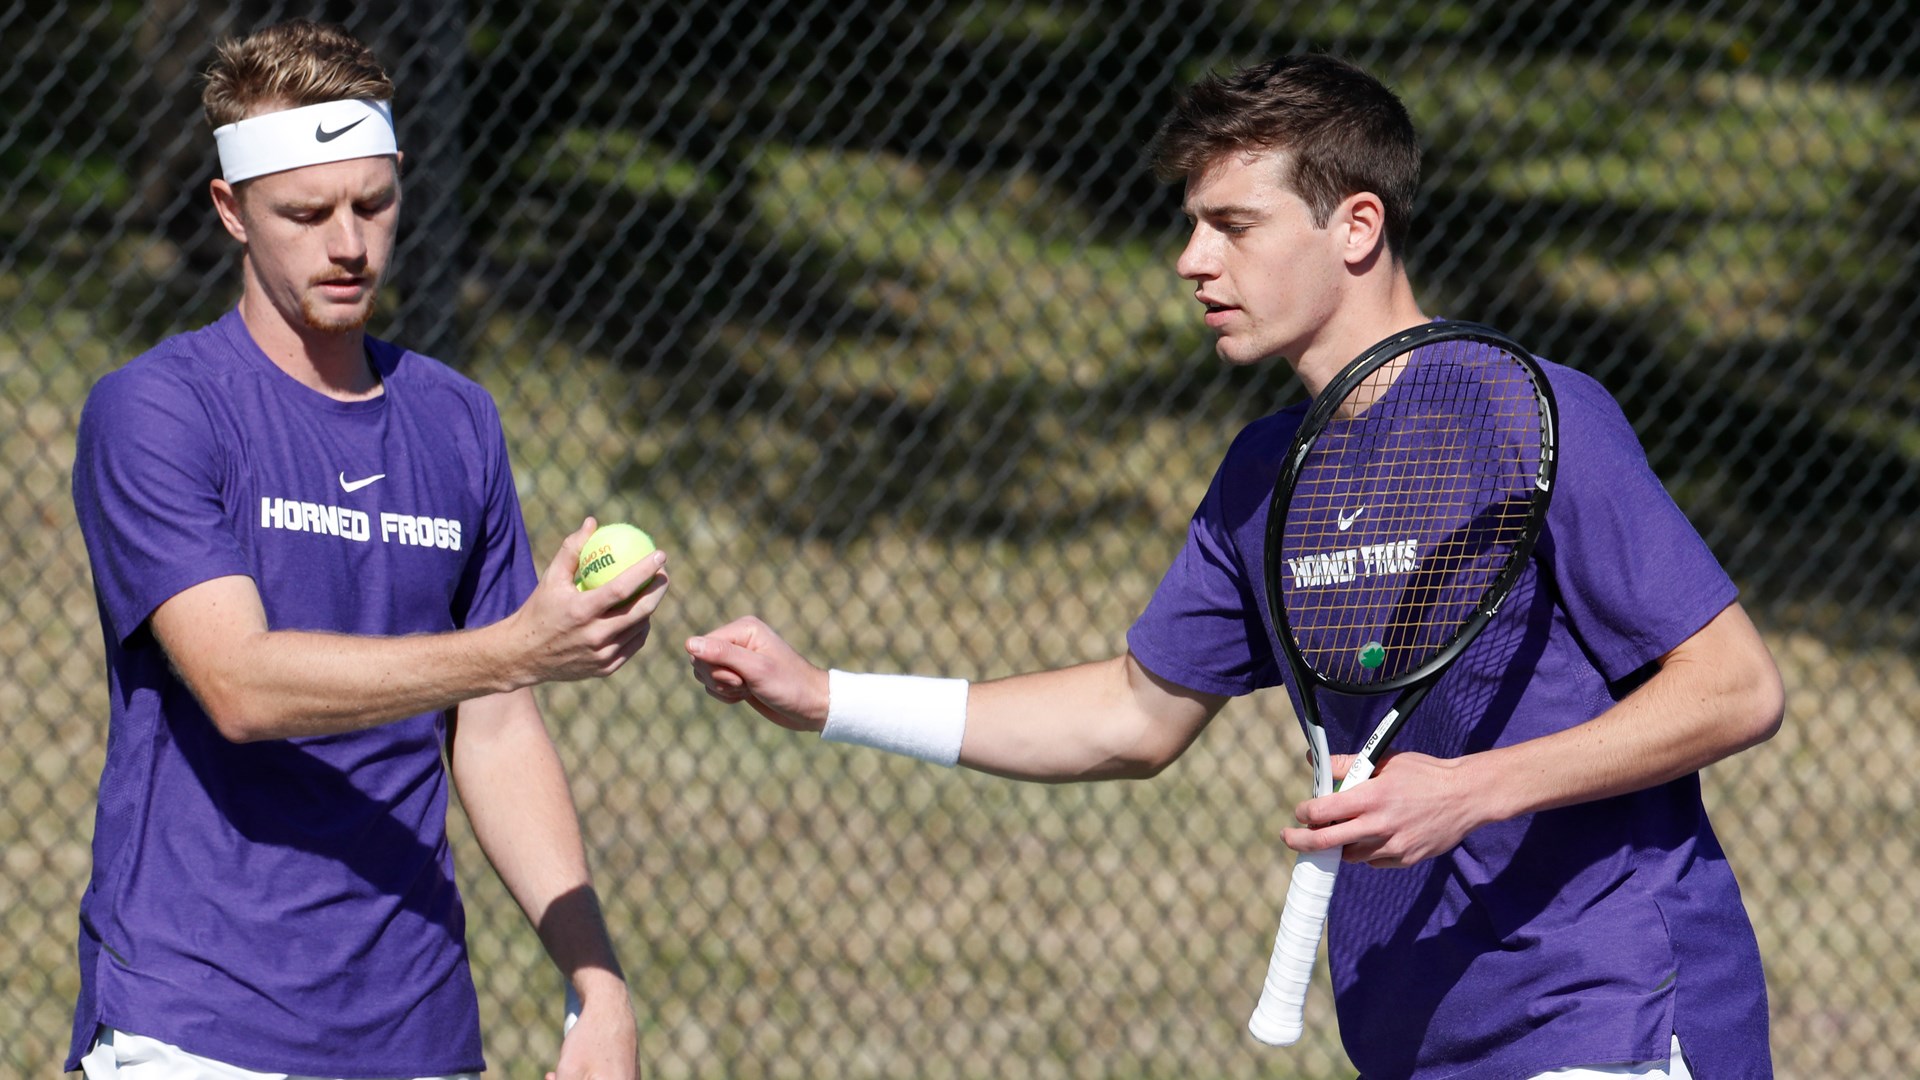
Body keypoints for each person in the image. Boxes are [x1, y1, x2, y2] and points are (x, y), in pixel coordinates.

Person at [685, 54, 1783, 1080]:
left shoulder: (1525, 413)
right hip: (1416, 1030)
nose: (1192, 259)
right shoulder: (1266, 473)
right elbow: (1130, 718)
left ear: (1357, 226)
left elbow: (1736, 690)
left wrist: (1474, 790)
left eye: (1233, 225)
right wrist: (828, 698)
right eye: (1192, 226)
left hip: (1616, 1011)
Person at [67, 19, 662, 1080]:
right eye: (306, 213)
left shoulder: (457, 420)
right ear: (231, 210)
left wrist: (598, 988)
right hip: (196, 1026)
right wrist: (515, 647)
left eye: (373, 204)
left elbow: (495, 731)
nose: (348, 244)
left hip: (420, 1035)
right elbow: (241, 685)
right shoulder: (158, 410)